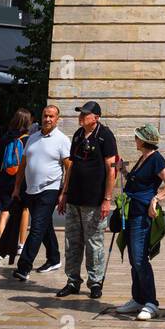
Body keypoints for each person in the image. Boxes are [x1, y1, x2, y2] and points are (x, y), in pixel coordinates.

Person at [115, 124, 165, 321]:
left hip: (142, 214)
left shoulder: (156, 159)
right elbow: (138, 182)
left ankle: (151, 302)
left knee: (141, 258)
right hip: (131, 212)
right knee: (134, 257)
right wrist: (123, 171)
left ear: (144, 140)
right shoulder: (143, 158)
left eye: (137, 137)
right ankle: (138, 298)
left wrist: (156, 199)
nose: (135, 139)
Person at [57, 101, 118, 299]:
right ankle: (73, 280)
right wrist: (64, 193)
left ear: (96, 118)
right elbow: (71, 166)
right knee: (72, 242)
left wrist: (107, 199)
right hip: (74, 198)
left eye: (85, 114)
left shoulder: (105, 136)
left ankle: (95, 282)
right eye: (80, 114)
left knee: (94, 242)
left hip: (94, 200)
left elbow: (112, 168)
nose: (81, 117)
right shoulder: (77, 135)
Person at [11, 103, 72, 280]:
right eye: (45, 115)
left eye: (51, 116)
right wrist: (16, 187)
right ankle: (54, 259)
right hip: (31, 190)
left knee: (37, 227)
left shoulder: (62, 139)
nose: (47, 119)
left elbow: (69, 167)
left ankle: (24, 267)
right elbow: (23, 164)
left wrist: (64, 192)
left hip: (50, 189)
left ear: (57, 119)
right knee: (44, 225)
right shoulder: (32, 137)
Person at [0, 108, 32, 257]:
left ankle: (0, 249)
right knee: (24, 211)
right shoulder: (28, 139)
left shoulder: (5, 137)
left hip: (6, 177)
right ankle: (21, 245)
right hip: (21, 178)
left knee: (5, 212)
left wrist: (0, 177)